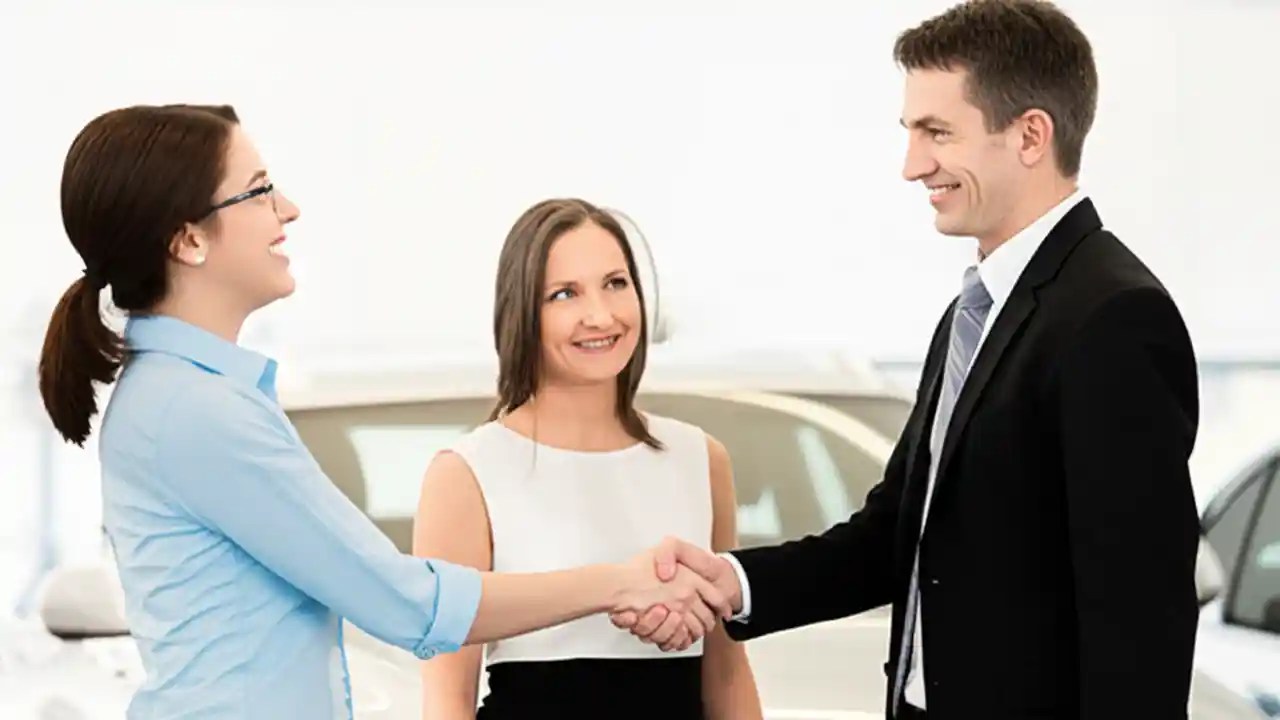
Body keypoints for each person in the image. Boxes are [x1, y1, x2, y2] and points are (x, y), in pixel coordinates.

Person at [36, 105, 730, 720]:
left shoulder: (193, 398)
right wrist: (619, 580)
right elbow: (407, 603)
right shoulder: (196, 411)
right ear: (188, 240)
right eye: (259, 191)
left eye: (615, 284)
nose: (289, 209)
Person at [616, 1, 1201, 718]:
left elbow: (1141, 621)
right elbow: (898, 532)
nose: (912, 165)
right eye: (911, 133)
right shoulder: (971, 312)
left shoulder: (1114, 318)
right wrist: (731, 582)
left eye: (937, 133)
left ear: (1030, 135)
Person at [412, 198, 763, 719]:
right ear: (522, 313)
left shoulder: (700, 459)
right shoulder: (467, 472)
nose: (600, 315)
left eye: (616, 284)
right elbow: (447, 697)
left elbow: (727, 672)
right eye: (564, 294)